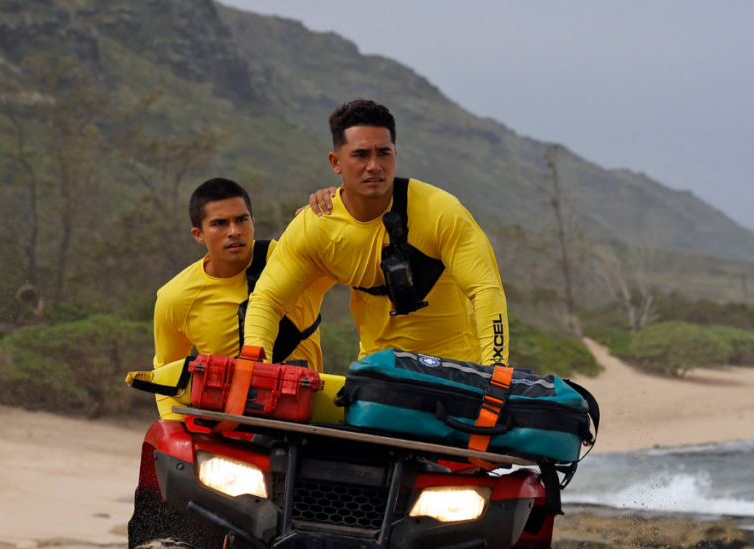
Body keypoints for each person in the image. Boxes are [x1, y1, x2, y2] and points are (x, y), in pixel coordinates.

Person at [243, 99, 509, 367]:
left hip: (457, 370)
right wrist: (253, 365)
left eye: (383, 153)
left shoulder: (440, 211)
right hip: (380, 375)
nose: (374, 166)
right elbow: (268, 301)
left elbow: (486, 291)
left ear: (395, 154)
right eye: (360, 155)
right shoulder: (316, 225)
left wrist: (495, 369)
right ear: (336, 162)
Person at [151, 178, 336, 420]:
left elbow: (352, 250)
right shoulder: (175, 298)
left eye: (241, 219)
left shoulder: (294, 260)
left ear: (253, 222)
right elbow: (167, 377)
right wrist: (174, 428)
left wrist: (339, 208)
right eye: (219, 223)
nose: (234, 231)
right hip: (227, 430)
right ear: (199, 234)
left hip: (303, 423)